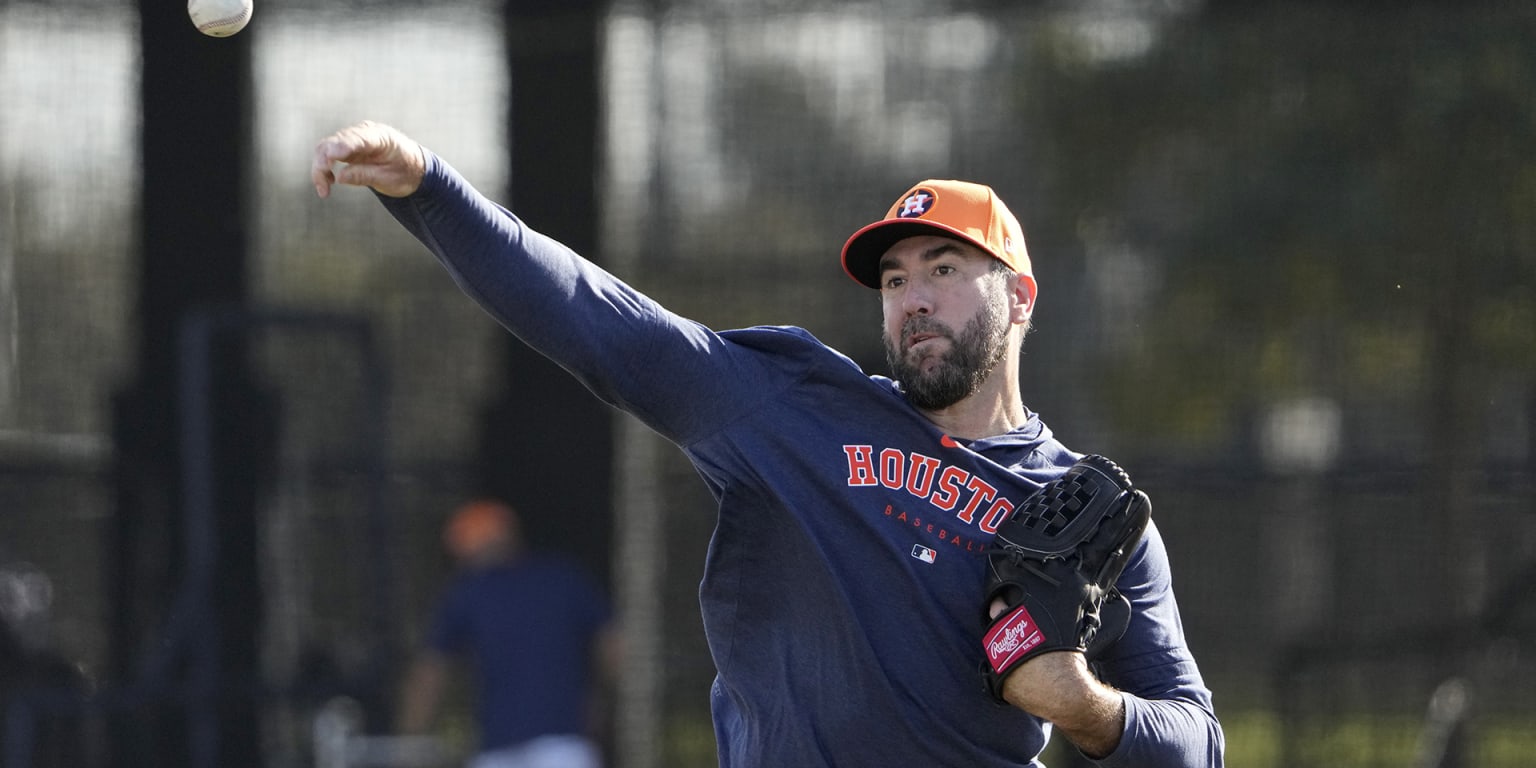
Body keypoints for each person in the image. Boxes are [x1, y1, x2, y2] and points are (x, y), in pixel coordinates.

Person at [314, 121, 1224, 766]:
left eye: (946, 270)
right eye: (896, 278)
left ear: (1020, 297)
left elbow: (1197, 742)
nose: (912, 299)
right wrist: (430, 187)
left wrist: (1087, 709)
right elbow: (604, 325)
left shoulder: (1090, 518)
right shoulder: (794, 412)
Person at [397, 499, 618, 768]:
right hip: (560, 747)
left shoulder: (469, 593)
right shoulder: (564, 578)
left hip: (507, 751)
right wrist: (601, 701)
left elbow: (430, 671)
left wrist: (409, 741)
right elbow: (614, 645)